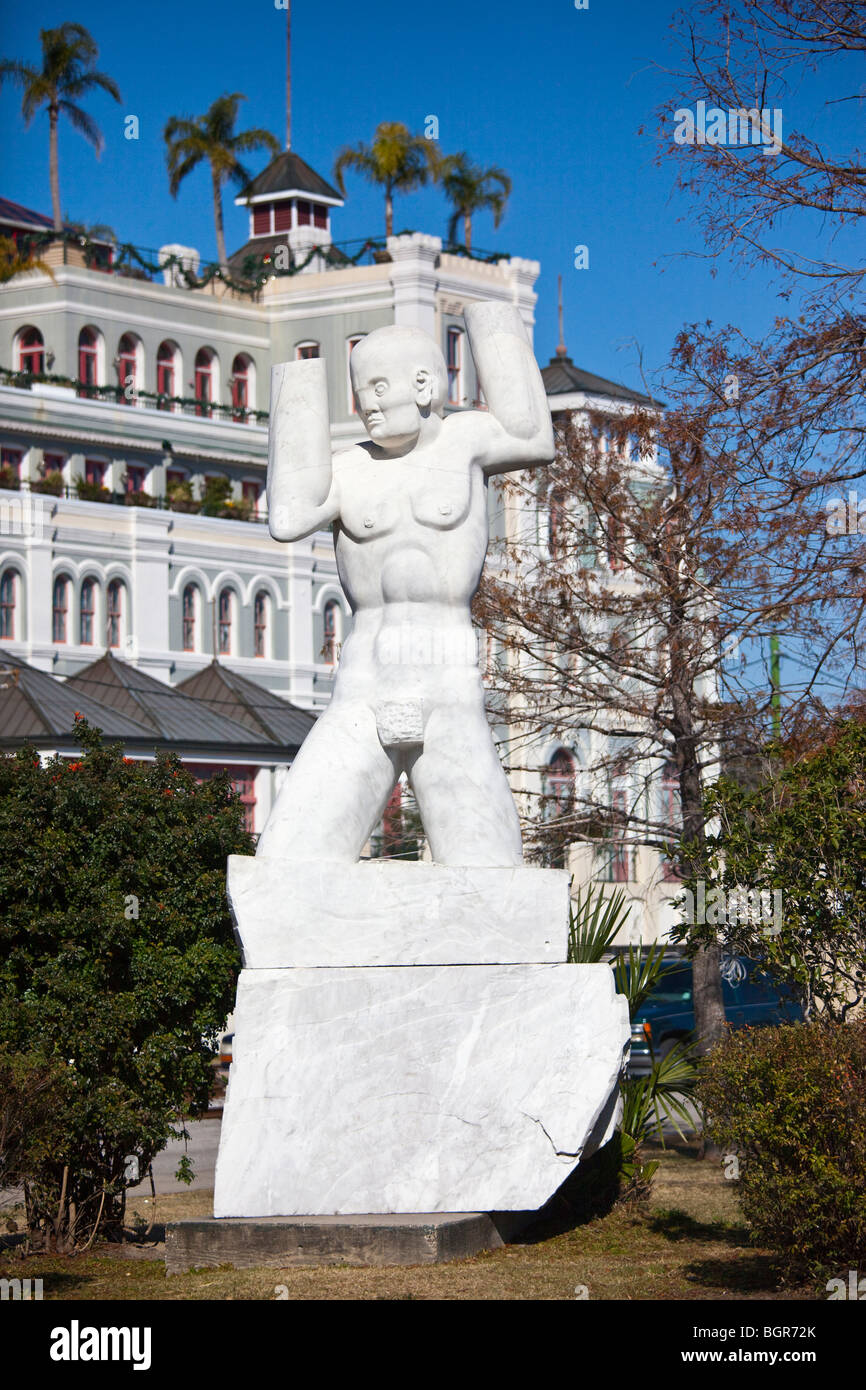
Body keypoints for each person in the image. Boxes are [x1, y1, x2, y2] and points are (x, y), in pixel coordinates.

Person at [258, 301, 554, 866]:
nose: (363, 402)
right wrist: (298, 384)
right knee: (290, 862)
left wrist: (489, 316)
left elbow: (533, 433)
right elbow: (288, 516)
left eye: (374, 386)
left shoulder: (465, 442)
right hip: (364, 687)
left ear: (421, 384)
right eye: (357, 389)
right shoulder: (348, 468)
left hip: (448, 686)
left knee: (487, 872)